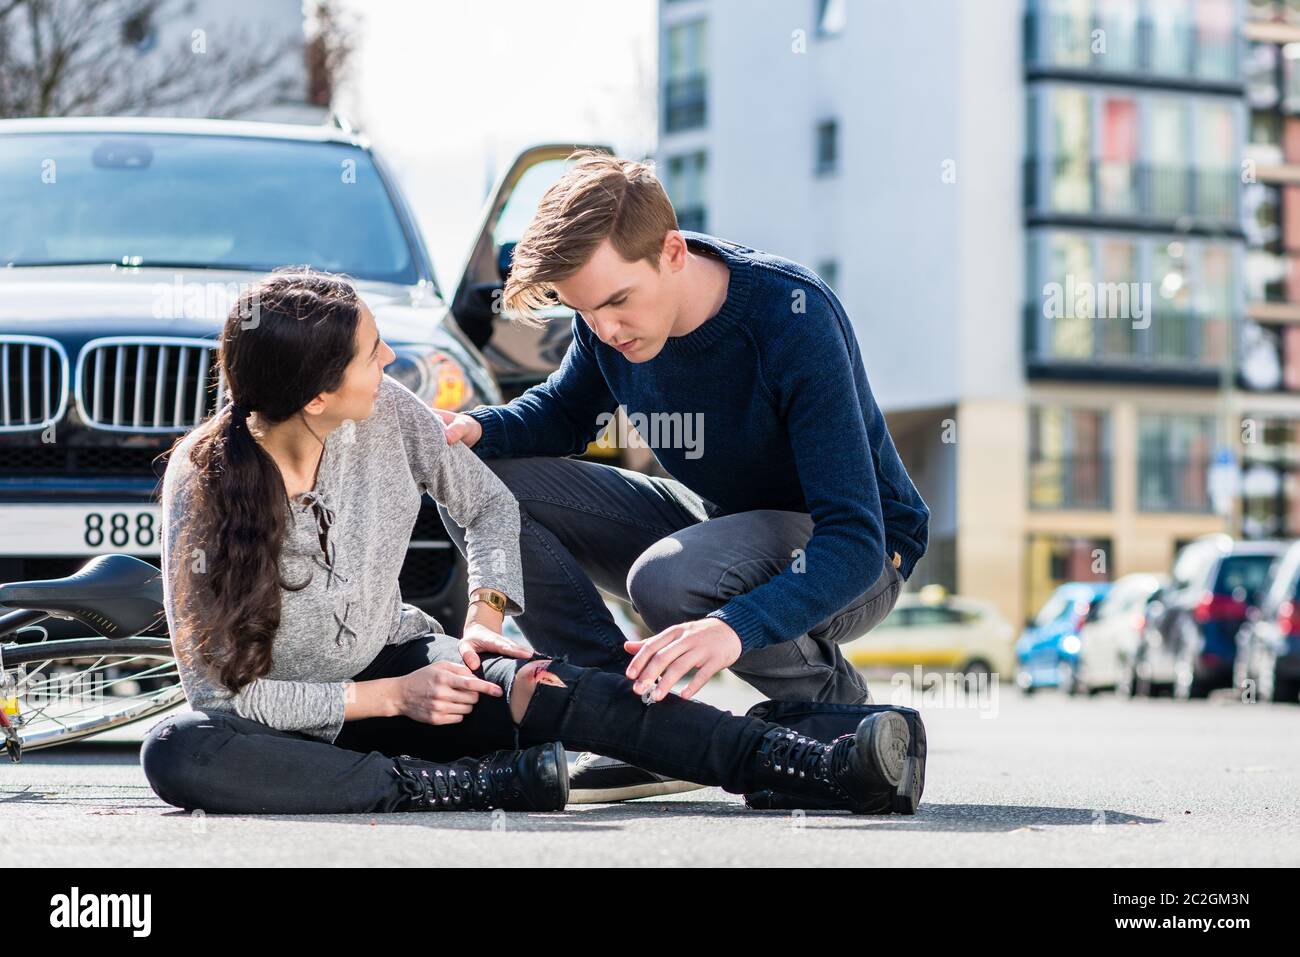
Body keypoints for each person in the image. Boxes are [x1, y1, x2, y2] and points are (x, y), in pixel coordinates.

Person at [138, 268, 925, 816]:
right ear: (316, 395)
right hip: (292, 722)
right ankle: (448, 786)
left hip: (405, 670)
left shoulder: (388, 414)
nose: (388, 361)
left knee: (557, 688)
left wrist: (484, 615)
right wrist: (383, 700)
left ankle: (810, 760)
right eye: (371, 354)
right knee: (178, 748)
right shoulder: (202, 487)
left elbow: (487, 503)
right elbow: (223, 695)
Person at [436, 150, 930, 802]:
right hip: (721, 529)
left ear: (672, 252)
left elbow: (855, 536)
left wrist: (734, 626)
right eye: (585, 312)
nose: (606, 329)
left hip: (860, 555)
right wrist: (476, 430)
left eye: (617, 301)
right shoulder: (605, 325)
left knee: (672, 580)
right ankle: (630, 715)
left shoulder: (790, 317)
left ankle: (831, 710)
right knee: (470, 478)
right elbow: (561, 414)